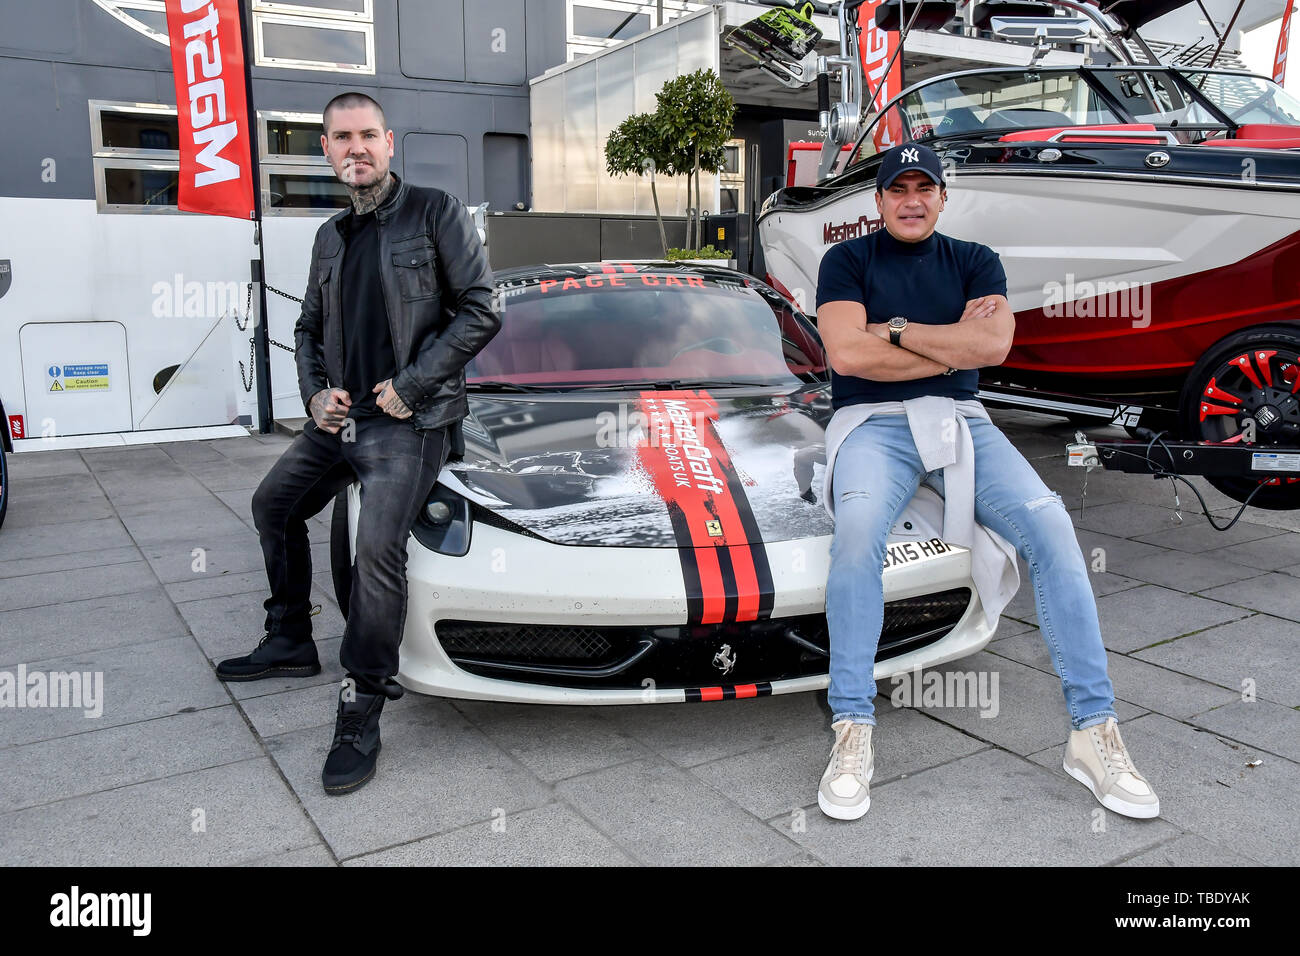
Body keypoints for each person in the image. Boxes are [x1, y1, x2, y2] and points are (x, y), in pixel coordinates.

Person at [813, 142, 1158, 822]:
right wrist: (944, 349)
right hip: (870, 423)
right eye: (898, 189)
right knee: (856, 538)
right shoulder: (846, 260)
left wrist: (899, 331)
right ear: (878, 201)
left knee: (1052, 527)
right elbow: (848, 353)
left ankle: (1094, 731)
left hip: (964, 420)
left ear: (944, 197)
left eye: (925, 188)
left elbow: (992, 349)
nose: (912, 199)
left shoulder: (976, 260)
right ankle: (852, 727)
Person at [216, 92, 498, 795]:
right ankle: (288, 638)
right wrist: (315, 393)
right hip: (341, 420)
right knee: (272, 505)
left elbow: (480, 311)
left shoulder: (436, 212)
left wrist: (410, 385)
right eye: (342, 138)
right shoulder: (330, 236)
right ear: (326, 150)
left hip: (411, 421)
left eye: (368, 135)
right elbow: (308, 328)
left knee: (376, 549)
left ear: (390, 141)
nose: (356, 149)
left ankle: (363, 699)